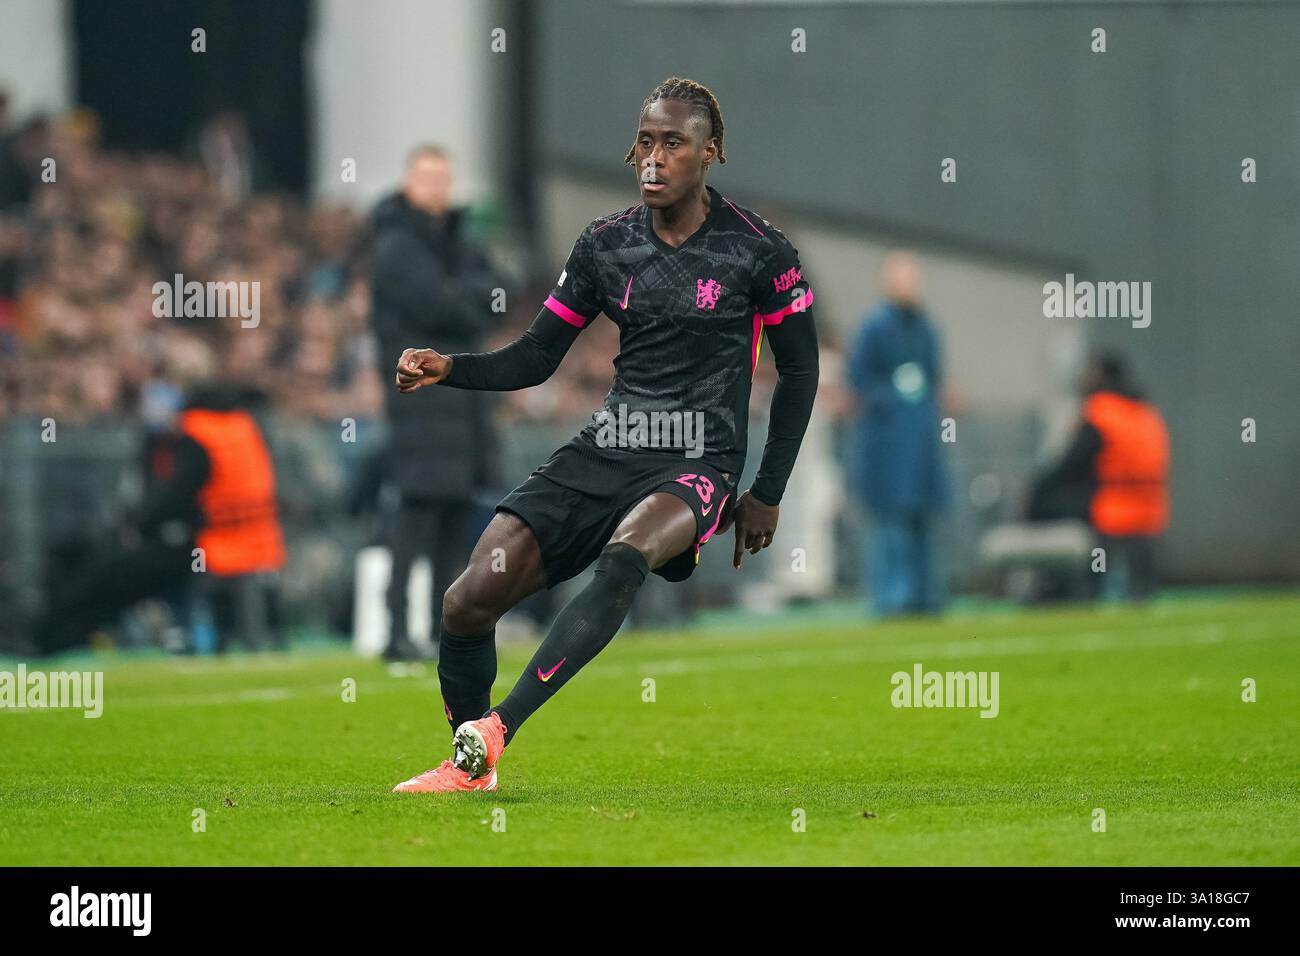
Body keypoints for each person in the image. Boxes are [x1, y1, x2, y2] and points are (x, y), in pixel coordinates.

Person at [389, 77, 820, 793]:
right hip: (609, 445)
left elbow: (800, 372)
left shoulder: (760, 251)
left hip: (700, 457)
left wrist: (766, 491)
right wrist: (450, 368)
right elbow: (536, 357)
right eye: (646, 142)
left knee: (625, 556)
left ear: (710, 151)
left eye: (673, 143)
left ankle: (496, 731)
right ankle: (467, 768)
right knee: (467, 600)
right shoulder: (604, 244)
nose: (654, 157)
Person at [369, 144, 508, 661]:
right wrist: (466, 298)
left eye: (443, 179)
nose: (436, 188)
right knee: (415, 519)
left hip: (461, 399)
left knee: (454, 522)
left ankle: (438, 630)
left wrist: (462, 296)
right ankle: (396, 633)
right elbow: (438, 304)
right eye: (427, 178)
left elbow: (500, 291)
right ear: (408, 182)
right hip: (419, 399)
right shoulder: (395, 245)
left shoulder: (460, 242)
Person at [847, 252, 949, 616]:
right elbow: (858, 381)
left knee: (922, 519)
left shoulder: (927, 329)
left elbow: (935, 380)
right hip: (886, 443)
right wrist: (892, 393)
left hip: (921, 442)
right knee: (890, 524)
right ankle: (892, 598)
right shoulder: (873, 329)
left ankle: (924, 596)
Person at [1028, 352, 1169, 600]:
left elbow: (1071, 462)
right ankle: (1138, 591)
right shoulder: (1145, 412)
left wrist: (1036, 490)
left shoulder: (1102, 411)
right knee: (1139, 577)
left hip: (1111, 506)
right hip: (1150, 507)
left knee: (1044, 502)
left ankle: (1058, 586)